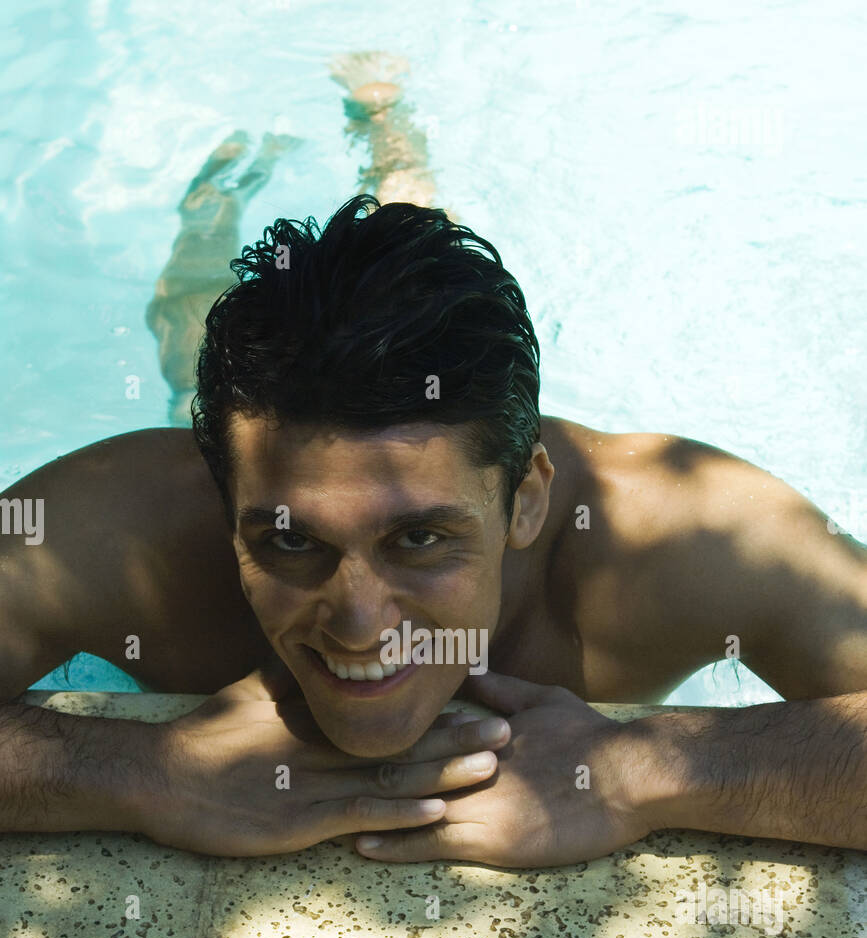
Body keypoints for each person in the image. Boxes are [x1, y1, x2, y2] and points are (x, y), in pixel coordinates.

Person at [1, 62, 865, 869]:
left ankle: (389, 128)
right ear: (223, 502)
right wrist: (147, 768)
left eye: (418, 537)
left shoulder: (684, 537)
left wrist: (646, 768)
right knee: (181, 332)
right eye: (290, 542)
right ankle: (212, 207)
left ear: (527, 498)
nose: (357, 626)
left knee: (414, 234)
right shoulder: (119, 525)